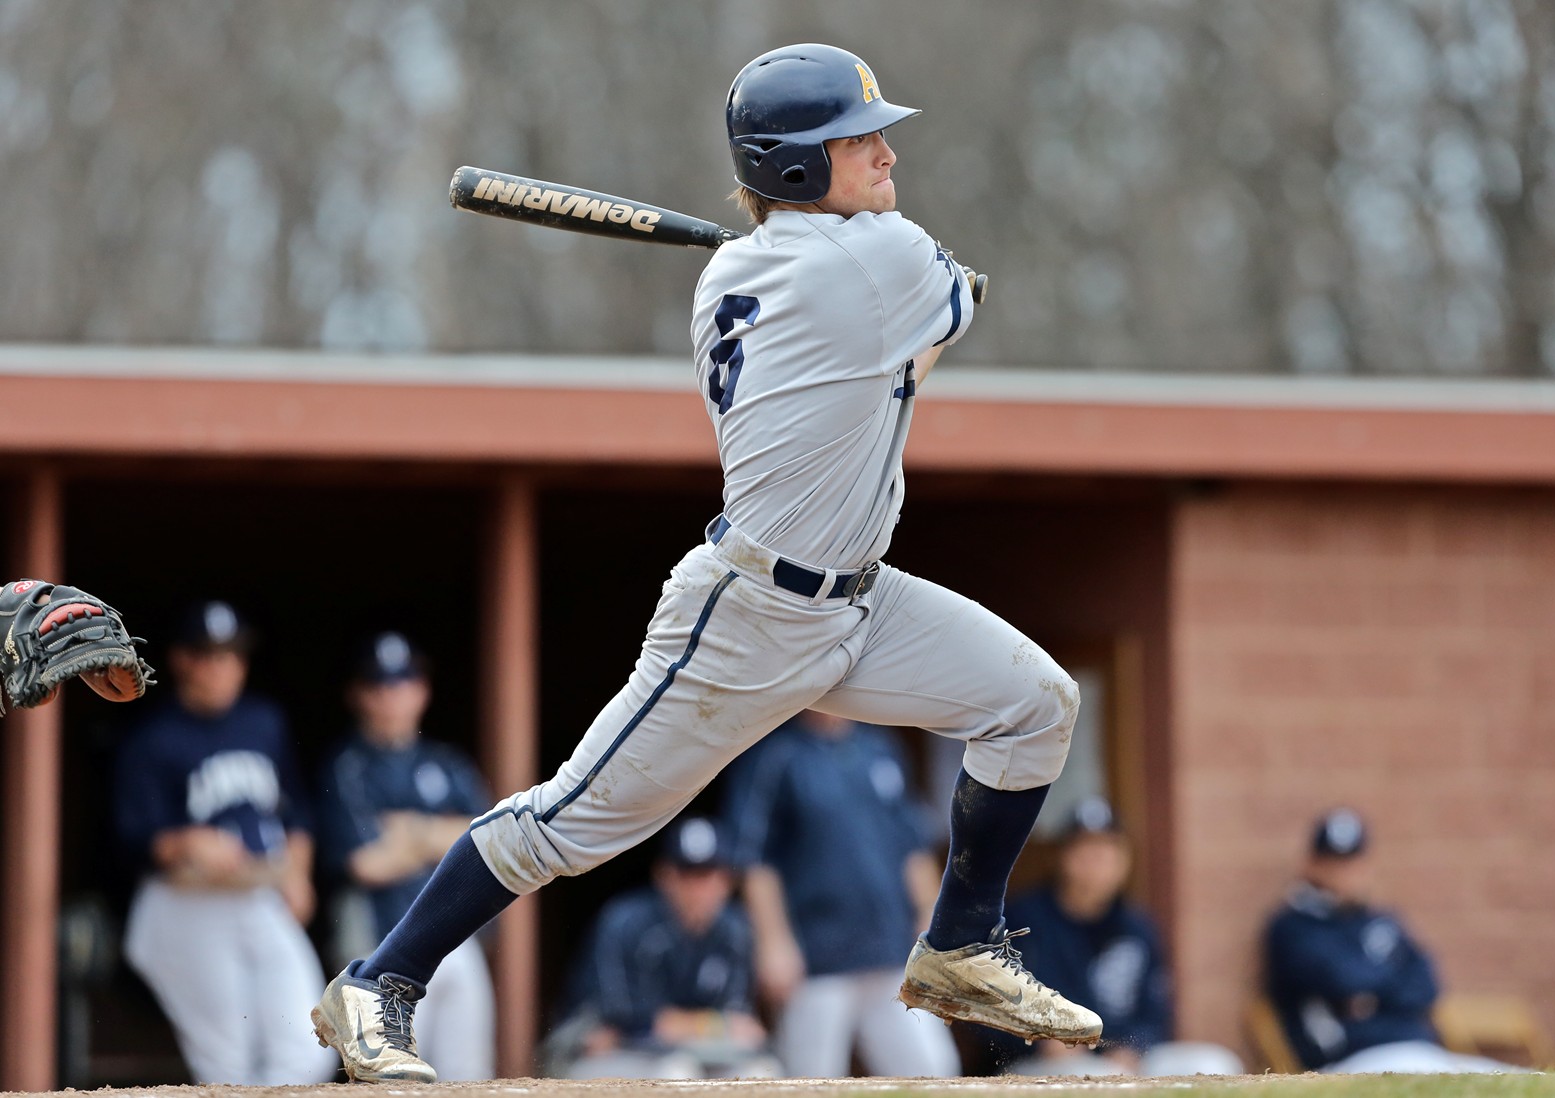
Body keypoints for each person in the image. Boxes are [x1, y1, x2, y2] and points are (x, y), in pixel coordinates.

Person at [311, 42, 1101, 1083]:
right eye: (850, 140)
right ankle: (378, 983)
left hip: (859, 601)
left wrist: (929, 299)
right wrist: (950, 289)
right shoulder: (876, 258)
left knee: (1034, 703)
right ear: (790, 168)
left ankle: (957, 941)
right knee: (569, 824)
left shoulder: (741, 269)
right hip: (748, 621)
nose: (881, 153)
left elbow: (896, 359)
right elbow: (937, 315)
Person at [112, 600, 335, 1085]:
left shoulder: (263, 721)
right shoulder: (152, 738)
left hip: (258, 894)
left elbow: (296, 808)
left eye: (231, 656)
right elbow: (131, 842)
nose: (222, 668)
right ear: (181, 660)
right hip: (186, 905)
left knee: (308, 1045)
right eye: (209, 655)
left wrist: (298, 872)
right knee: (227, 1062)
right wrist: (186, 842)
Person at [721, 710, 959, 1077]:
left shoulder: (879, 747)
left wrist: (931, 916)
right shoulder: (774, 755)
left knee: (933, 1072)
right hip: (817, 956)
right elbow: (753, 859)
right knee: (813, 1080)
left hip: (890, 949)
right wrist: (773, 942)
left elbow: (912, 842)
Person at [315, 632, 497, 1081]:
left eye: (402, 683)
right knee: (394, 1073)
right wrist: (441, 834)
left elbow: (490, 839)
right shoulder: (347, 765)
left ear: (422, 689)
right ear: (359, 694)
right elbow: (367, 864)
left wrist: (409, 831)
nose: (392, 697)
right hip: (379, 940)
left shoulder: (447, 763)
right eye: (379, 685)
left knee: (467, 1073)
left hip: (456, 938)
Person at [983, 796, 1243, 1077]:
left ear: (1125, 861)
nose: (1097, 861)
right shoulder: (1022, 921)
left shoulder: (1137, 927)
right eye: (1085, 849)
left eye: (1108, 850)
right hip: (1045, 1063)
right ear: (1061, 857)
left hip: (1126, 1060)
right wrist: (1036, 1040)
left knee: (1213, 1064)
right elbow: (985, 1006)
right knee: (1097, 1076)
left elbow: (1156, 1014)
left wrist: (1134, 1047)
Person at [1263, 807, 1523, 1074]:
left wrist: (1371, 997)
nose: (1346, 872)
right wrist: (1387, 979)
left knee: (1519, 1079)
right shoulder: (1292, 927)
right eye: (1334, 863)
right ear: (1312, 864)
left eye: (1353, 861)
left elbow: (1426, 984)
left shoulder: (1381, 920)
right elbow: (1342, 979)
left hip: (1418, 1047)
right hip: (1350, 1057)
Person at [556, 816, 780, 1080]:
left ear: (726, 881)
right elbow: (629, 1025)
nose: (698, 888)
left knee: (761, 1072)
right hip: (600, 1053)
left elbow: (740, 1023)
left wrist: (692, 1027)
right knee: (677, 1073)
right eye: (687, 874)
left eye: (708, 875)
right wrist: (712, 1025)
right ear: (664, 876)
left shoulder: (735, 931)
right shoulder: (625, 923)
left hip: (693, 1054)